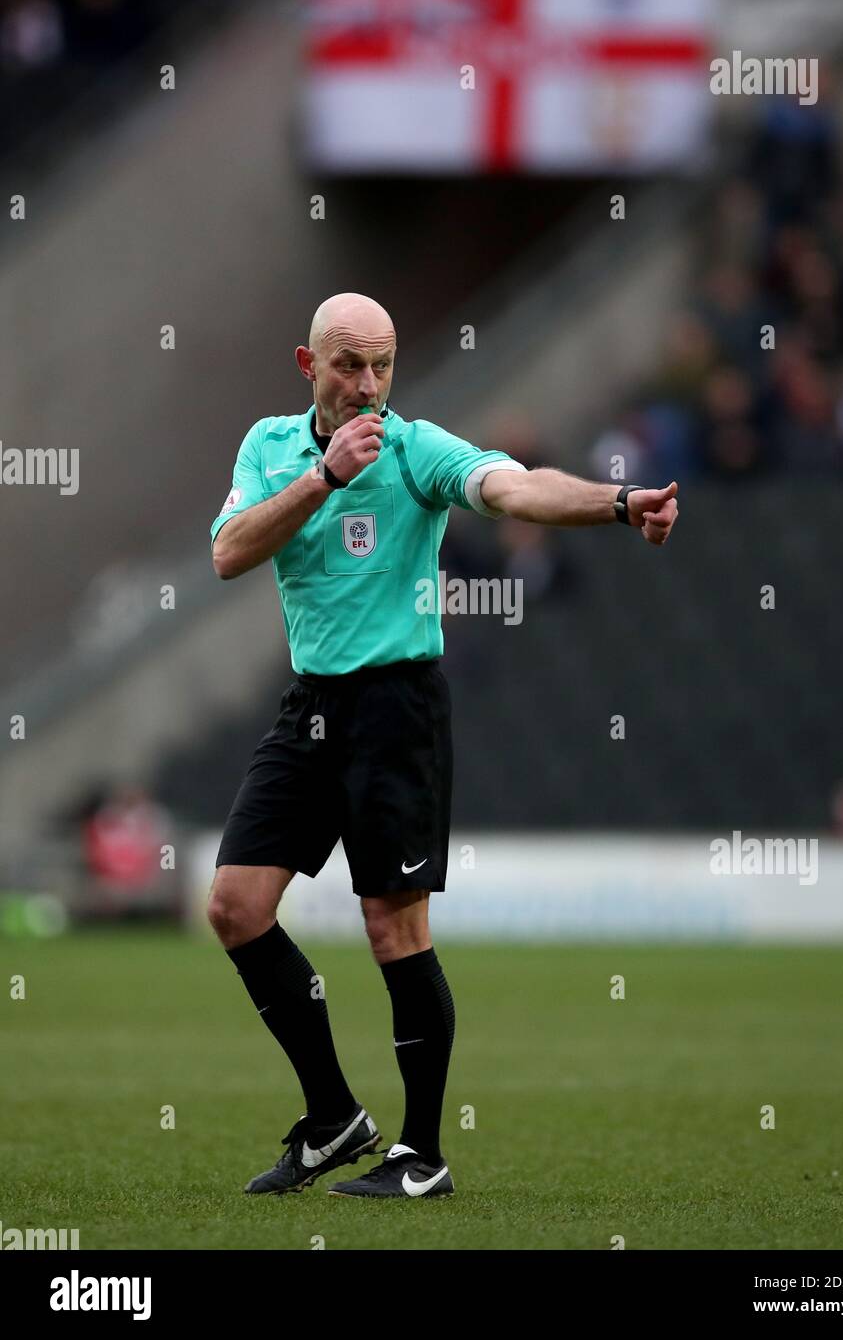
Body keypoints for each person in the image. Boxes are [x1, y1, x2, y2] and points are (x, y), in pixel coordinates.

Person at [207, 292, 679, 1200]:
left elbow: (515, 486)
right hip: (310, 706)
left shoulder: (417, 447)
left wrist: (620, 504)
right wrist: (323, 481)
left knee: (395, 926)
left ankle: (423, 1154)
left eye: (383, 364)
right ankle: (333, 1116)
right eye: (350, 364)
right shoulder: (270, 446)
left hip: (396, 707)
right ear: (310, 368)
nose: (370, 384)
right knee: (234, 906)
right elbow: (228, 554)